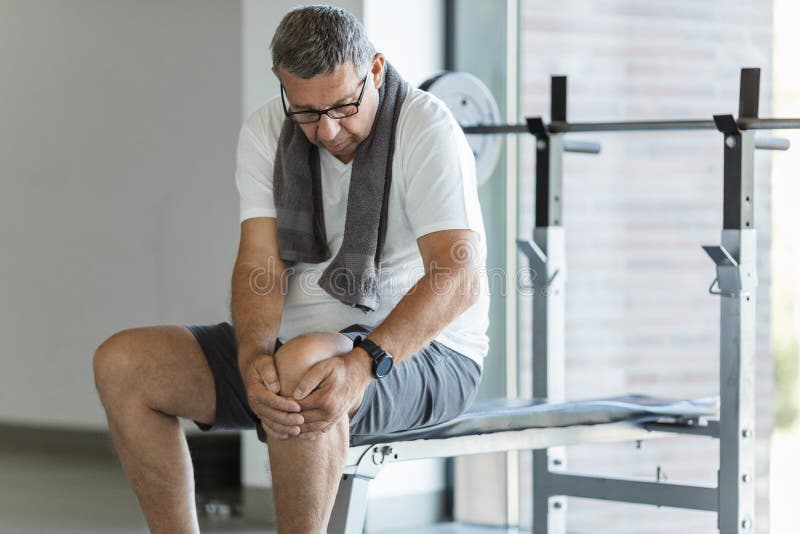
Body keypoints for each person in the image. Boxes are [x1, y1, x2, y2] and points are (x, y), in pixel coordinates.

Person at [93, 5, 489, 533]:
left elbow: (457, 276)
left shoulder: (425, 127)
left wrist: (364, 362)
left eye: (344, 106)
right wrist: (253, 353)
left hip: (423, 354)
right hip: (296, 347)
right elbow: (260, 261)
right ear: (282, 84)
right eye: (305, 111)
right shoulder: (266, 130)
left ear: (374, 69)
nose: (326, 130)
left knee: (304, 367)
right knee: (125, 363)